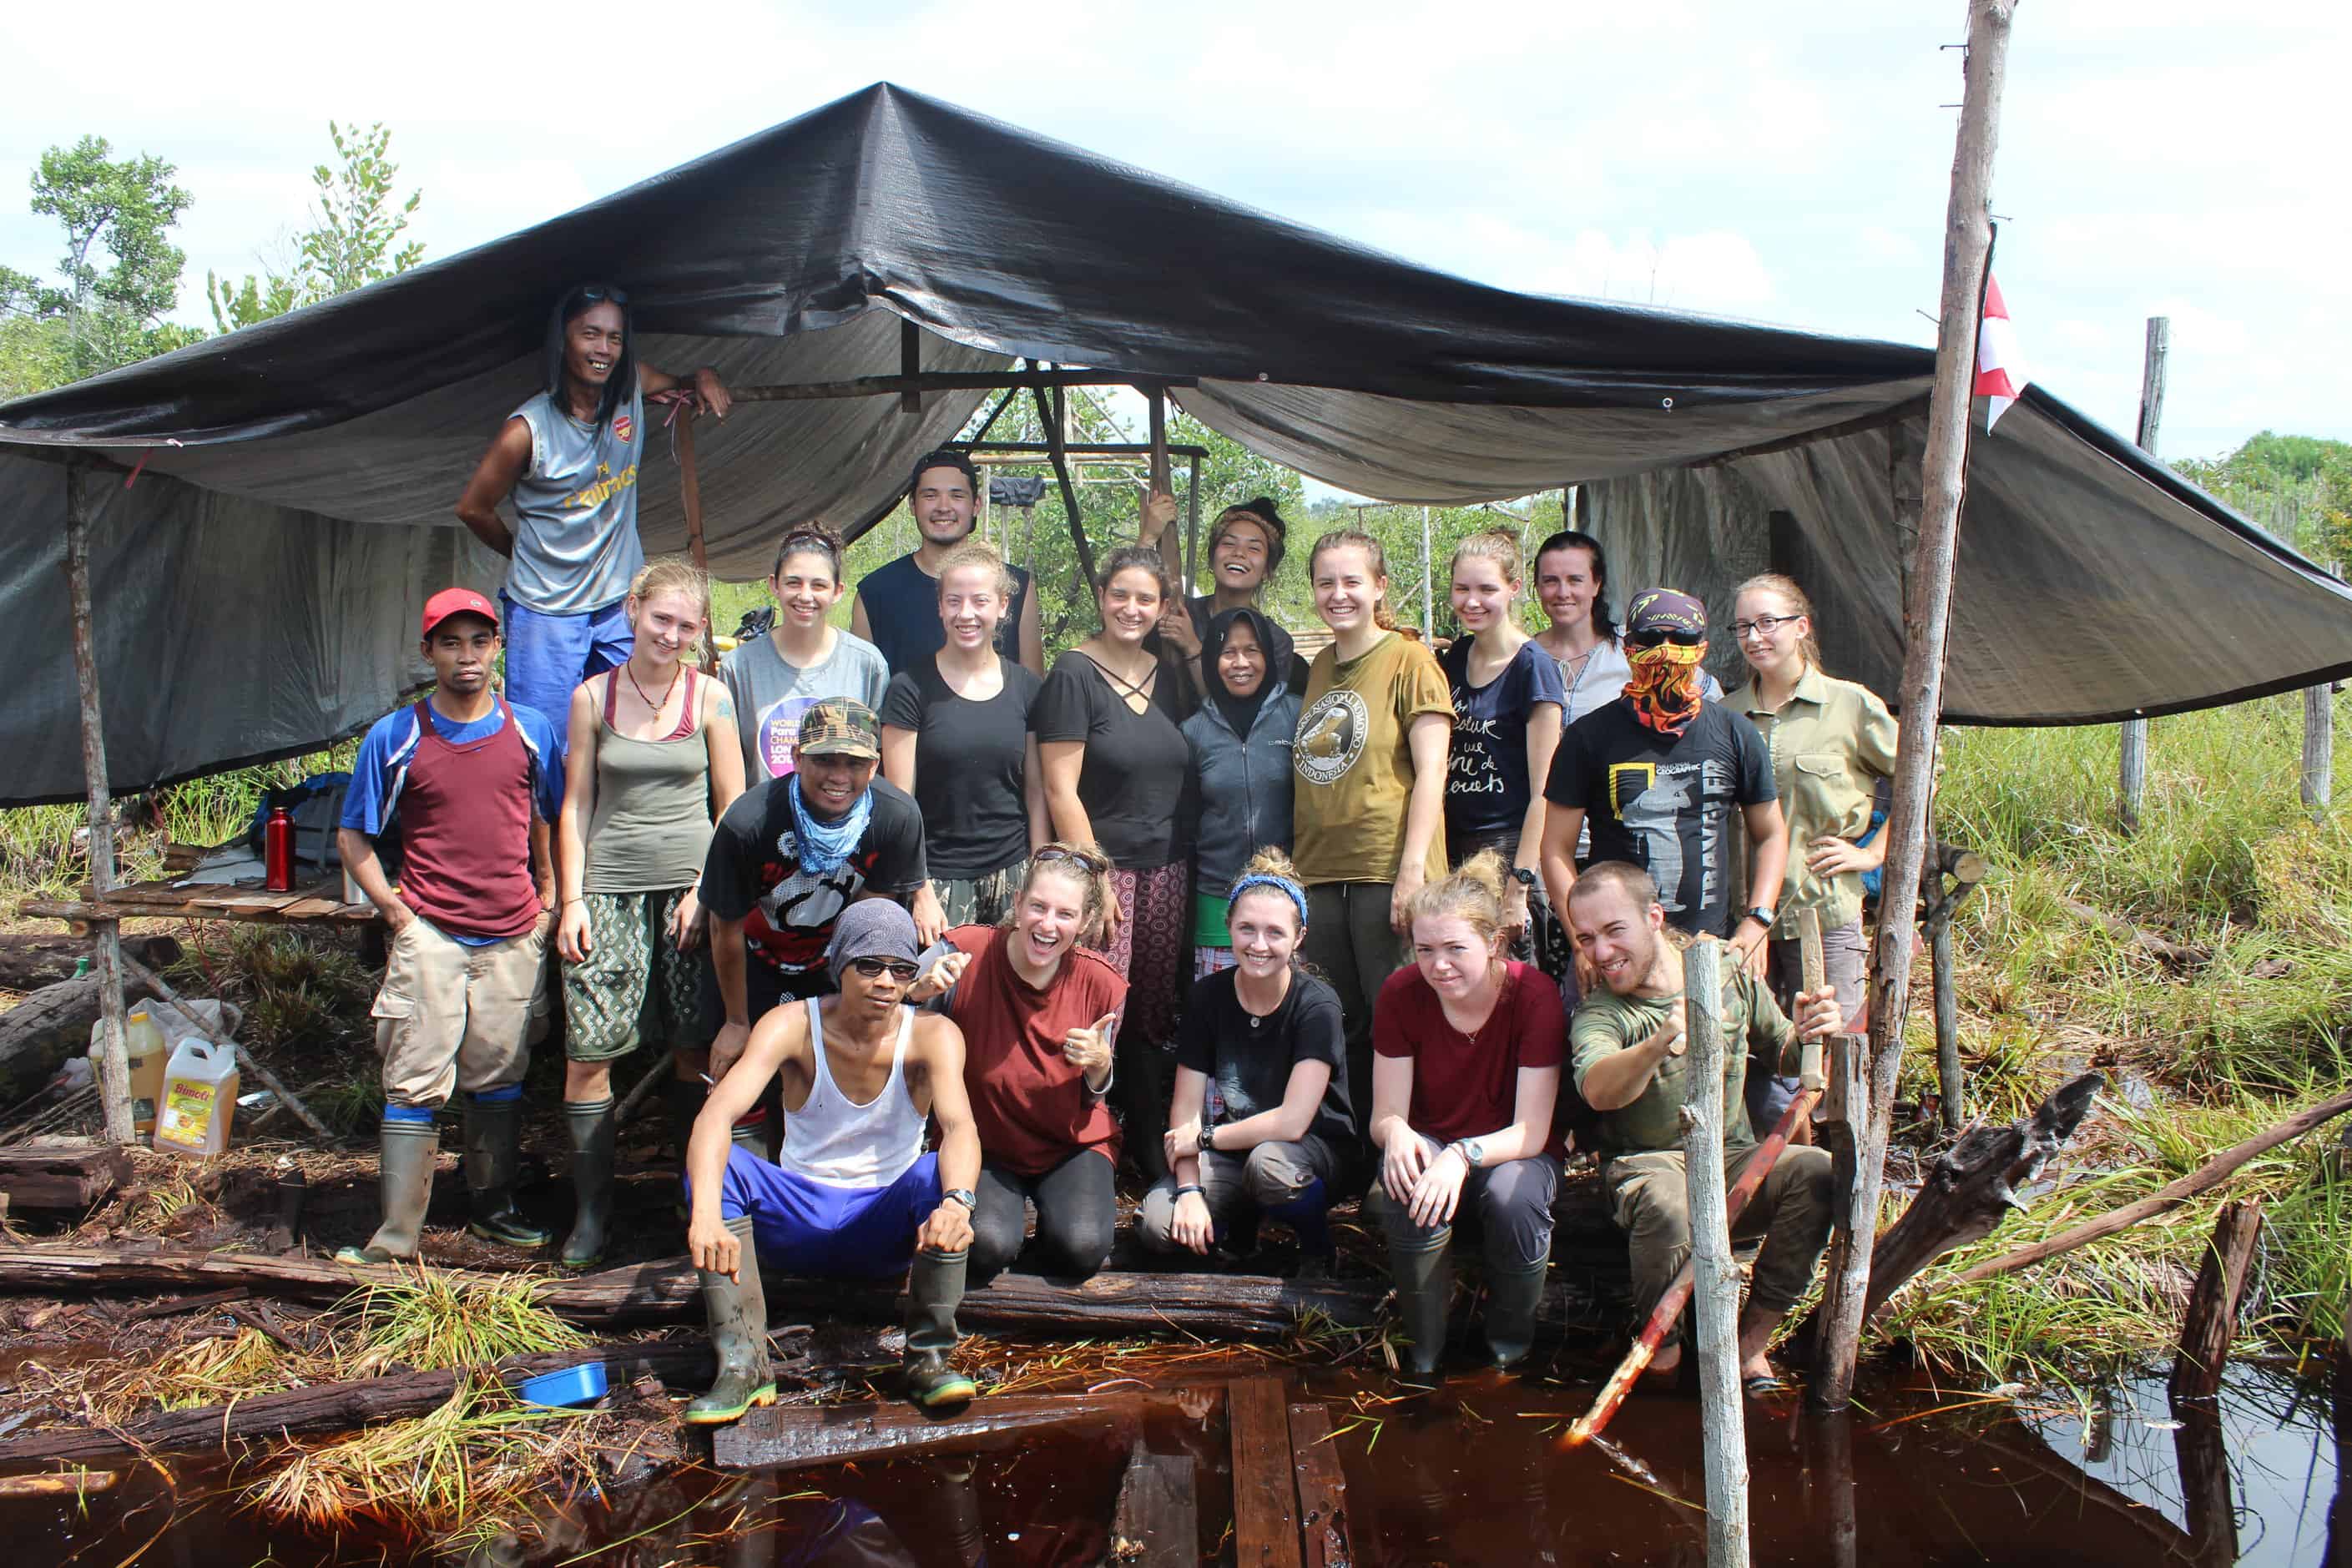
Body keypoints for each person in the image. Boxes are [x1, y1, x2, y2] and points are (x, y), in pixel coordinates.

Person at [333, 589, 565, 1264]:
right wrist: (396, 910)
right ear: (428, 650)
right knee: (413, 1078)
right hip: (432, 933)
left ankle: (494, 1208)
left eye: (479, 642)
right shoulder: (398, 735)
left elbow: (546, 812)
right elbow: (355, 834)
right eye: (451, 643)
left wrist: (547, 891)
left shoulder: (531, 730)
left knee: (499, 1074)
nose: (467, 656)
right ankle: (397, 1234)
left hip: (513, 931)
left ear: (497, 649)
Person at [682, 900, 981, 1417]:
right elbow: (715, 1118)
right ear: (838, 964)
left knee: (938, 1173)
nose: (886, 982)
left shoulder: (934, 1036)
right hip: (798, 1218)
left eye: (901, 969)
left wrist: (958, 1204)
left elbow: (959, 1128)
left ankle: (929, 1358)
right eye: (869, 966)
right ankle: (743, 1365)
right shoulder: (790, 1025)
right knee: (722, 1165)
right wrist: (706, 1213)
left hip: (884, 1224)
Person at [1562, 860, 1842, 1391]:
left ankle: (1751, 1342)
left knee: (1818, 1172)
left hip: (1732, 1156)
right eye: (1586, 938)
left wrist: (1811, 1032)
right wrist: (1657, 1044)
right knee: (1671, 1209)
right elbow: (1598, 1087)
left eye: (1614, 931)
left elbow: (1783, 1054)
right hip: (1649, 1164)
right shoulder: (1601, 1013)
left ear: (1654, 917)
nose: (1600, 953)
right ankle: (1663, 1352)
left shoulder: (1724, 970)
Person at [551, 559, 746, 1268]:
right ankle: (593, 1212)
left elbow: (733, 807)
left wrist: (707, 888)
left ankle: (690, 1195)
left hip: (689, 894)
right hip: (607, 891)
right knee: (587, 1054)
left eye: (686, 625)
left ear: (700, 633)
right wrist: (571, 898)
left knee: (694, 1050)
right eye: (660, 618)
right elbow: (575, 804)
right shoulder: (593, 698)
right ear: (634, 610)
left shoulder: (712, 697)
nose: (671, 634)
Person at [453, 283, 732, 744]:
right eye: (590, 335)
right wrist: (520, 551)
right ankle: (556, 819)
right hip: (547, 610)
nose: (603, 349)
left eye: (615, 338)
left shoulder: (630, 389)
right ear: (563, 340)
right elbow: (472, 507)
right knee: (548, 742)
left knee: (635, 727)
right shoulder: (528, 430)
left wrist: (703, 374)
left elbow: (680, 382)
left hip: (617, 602)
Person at [1034, 546, 1197, 1180]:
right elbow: (1059, 787)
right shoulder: (1074, 672)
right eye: (1120, 595)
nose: (1132, 608)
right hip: (1104, 869)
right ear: (1101, 596)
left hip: (1168, 866)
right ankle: (1076, 1140)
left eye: (1146, 598)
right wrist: (1096, 878)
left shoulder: (1170, 673)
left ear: (1162, 608)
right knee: (1099, 1005)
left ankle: (1144, 1141)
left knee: (1153, 1009)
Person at [1367, 852, 1563, 1374]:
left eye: (1456, 949)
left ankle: (1508, 1351)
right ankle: (1426, 1358)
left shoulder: (1534, 996)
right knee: (1409, 1179)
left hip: (1513, 1151)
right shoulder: (1401, 994)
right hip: (1435, 1141)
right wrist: (1397, 1134)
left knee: (1512, 1198)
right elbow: (1385, 1114)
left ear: (1494, 943)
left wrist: (1462, 1154)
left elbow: (1532, 1131)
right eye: (1425, 950)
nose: (1439, 965)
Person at [1540, 588, 1789, 982]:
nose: (1667, 651)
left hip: (1710, 950)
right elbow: (1555, 848)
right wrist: (1582, 941)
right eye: (1652, 640)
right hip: (1614, 958)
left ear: (1702, 649)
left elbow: (1771, 832)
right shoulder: (1587, 737)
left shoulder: (1734, 731)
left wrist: (1758, 919)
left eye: (1682, 640)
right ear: (1629, 647)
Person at [1724, 572, 1900, 1132]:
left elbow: (1921, 777)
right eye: (1744, 626)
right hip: (1747, 927)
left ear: (1801, 626)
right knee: (1755, 1065)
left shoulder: (1849, 706)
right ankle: (1779, 1193)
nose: (1755, 636)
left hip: (1821, 915)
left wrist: (1873, 853)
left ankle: (1839, 1195)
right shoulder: (1725, 714)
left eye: (1768, 622)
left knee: (1830, 1063)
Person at [1291, 527, 1451, 1132]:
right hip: (1323, 871)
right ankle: (1360, 1148)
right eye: (1326, 582)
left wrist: (1413, 868)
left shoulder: (1410, 659)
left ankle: (1418, 1145)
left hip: (1388, 867)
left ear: (1379, 585)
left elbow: (1432, 768)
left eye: (1352, 581)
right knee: (1345, 1018)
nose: (1339, 594)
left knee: (1404, 1016)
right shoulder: (1320, 666)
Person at [910, 846, 1128, 1282]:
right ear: (1017, 903)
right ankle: (1005, 1228)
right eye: (1038, 907)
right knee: (987, 1246)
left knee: (1081, 1249)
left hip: (1070, 1144)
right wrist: (917, 993)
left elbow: (1096, 1091)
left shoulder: (1101, 983)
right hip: (984, 1146)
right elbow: (889, 1028)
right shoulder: (965, 951)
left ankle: (1053, 1226)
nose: (1047, 925)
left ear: (1084, 923)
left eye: (1065, 915)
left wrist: (1101, 1063)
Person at [1137, 850, 1355, 1273]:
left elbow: (1293, 1121)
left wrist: (1202, 1141)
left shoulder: (1316, 1005)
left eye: (1275, 932)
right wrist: (1188, 1193)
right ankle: (1238, 1226)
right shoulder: (1207, 998)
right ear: (1229, 929)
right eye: (1247, 929)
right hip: (1234, 1151)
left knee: (1268, 1166)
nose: (1259, 945)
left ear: (1299, 937)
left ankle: (1317, 1247)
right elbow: (1185, 1114)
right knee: (1157, 1226)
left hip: (1308, 1153)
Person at [699, 699, 930, 1092]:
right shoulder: (749, 824)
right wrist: (736, 1021)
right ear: (797, 758)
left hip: (836, 963)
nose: (839, 777)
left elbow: (872, 916)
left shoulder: (896, 818)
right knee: (746, 1074)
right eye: (825, 760)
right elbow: (725, 930)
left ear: (874, 766)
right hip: (755, 958)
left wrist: (852, 999)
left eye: (854, 764)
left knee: (828, 1075)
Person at [879, 541, 1047, 930]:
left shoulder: (1027, 688)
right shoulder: (909, 688)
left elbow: (1036, 792)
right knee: (946, 989)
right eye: (954, 601)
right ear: (940, 606)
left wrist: (1040, 871)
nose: (966, 614)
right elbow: (900, 803)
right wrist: (919, 890)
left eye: (980, 601)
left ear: (1003, 606)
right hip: (939, 878)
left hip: (1013, 872)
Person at [1439, 532, 1567, 971]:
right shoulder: (1454, 658)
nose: (1472, 601)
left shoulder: (1534, 667)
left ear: (1513, 589)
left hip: (1510, 849)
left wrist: (1519, 886)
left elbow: (1544, 792)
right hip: (1455, 847)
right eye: (1462, 589)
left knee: (1511, 982)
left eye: (1486, 589)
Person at [719, 525, 891, 786]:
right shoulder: (740, 666)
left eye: (819, 585)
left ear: (837, 592)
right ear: (774, 585)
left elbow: (876, 761)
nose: (805, 596)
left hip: (842, 820)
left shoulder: (866, 664)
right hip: (764, 821)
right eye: (793, 582)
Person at [1181, 608, 1301, 975]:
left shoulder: (1298, 715)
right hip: (1217, 892)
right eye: (1228, 652)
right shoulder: (1193, 731)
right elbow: (1187, 820)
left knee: (1282, 1008)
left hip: (1289, 888)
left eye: (1252, 651)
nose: (1240, 663)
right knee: (1221, 1005)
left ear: (1269, 655)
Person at [852, 449, 1043, 677]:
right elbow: (860, 695)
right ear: (912, 505)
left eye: (957, 496)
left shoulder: (1016, 586)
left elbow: (1034, 691)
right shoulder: (875, 592)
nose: (944, 507)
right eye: (930, 496)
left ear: (976, 505)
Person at [1529, 531, 1724, 729]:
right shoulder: (1520, 657)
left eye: (1575, 580)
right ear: (1537, 586)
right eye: (1550, 581)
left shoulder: (1638, 646)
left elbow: (1710, 696)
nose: (1563, 592)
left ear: (1597, 584)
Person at [1138, 490, 1305, 693]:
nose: (1239, 553)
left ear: (1267, 571)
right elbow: (1126, 608)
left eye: (1254, 549)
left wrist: (1192, 648)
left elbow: (1248, 720)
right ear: (1211, 559)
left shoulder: (1275, 640)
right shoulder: (1178, 609)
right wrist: (1148, 538)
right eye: (1228, 544)